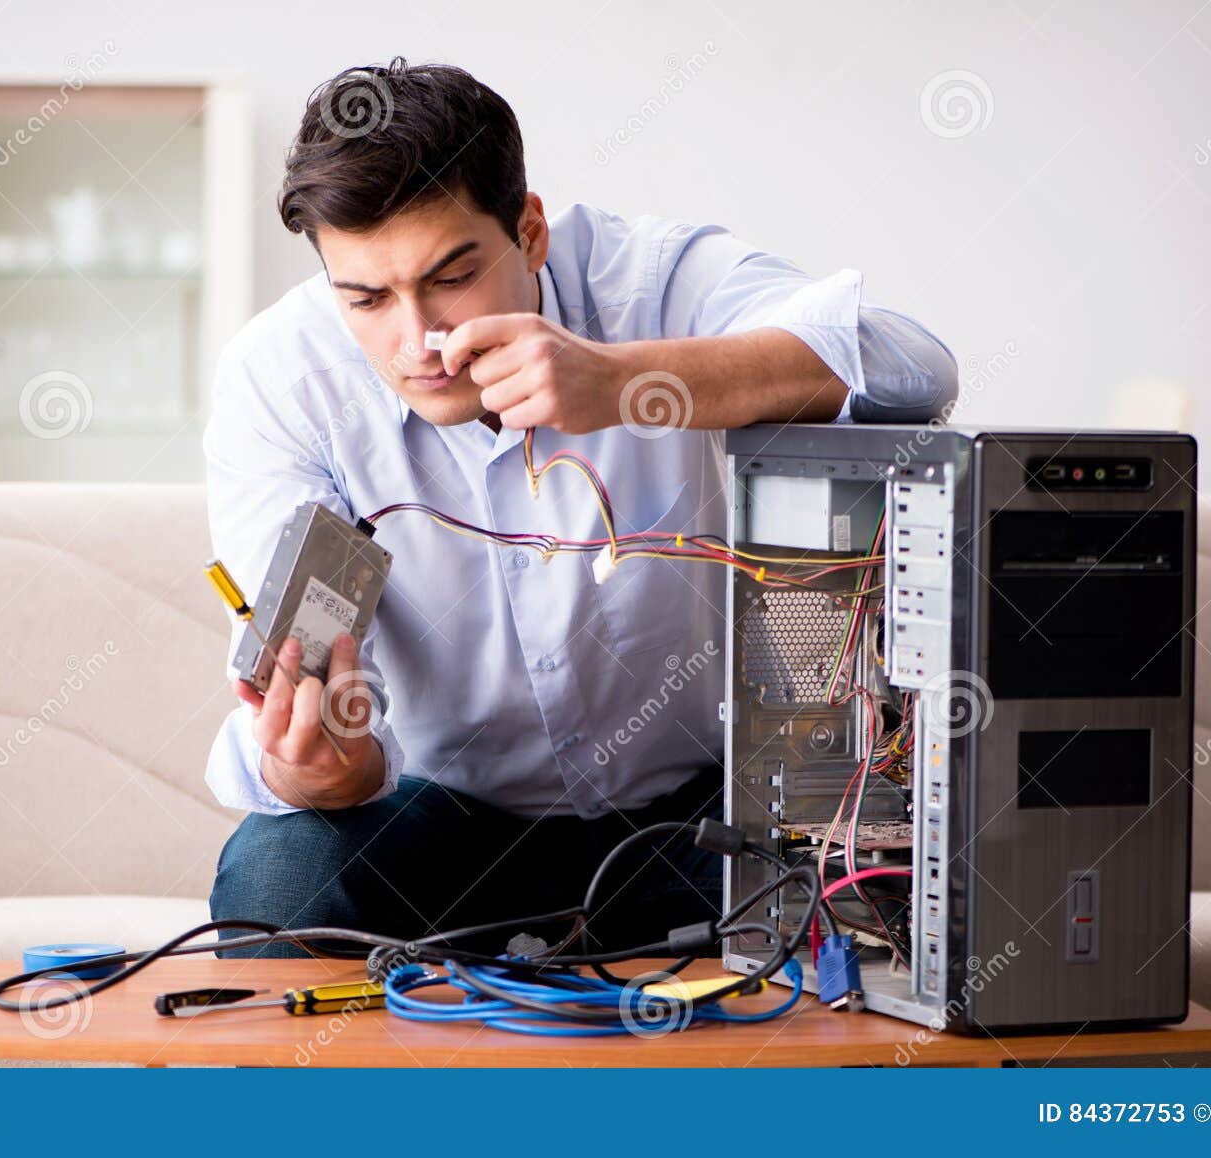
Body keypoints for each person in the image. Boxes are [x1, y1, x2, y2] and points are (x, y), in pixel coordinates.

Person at [204, 57, 957, 958]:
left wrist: (630, 381)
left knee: (899, 877)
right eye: (366, 297)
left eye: (451, 276)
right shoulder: (281, 379)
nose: (419, 342)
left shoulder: (657, 282)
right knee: (276, 877)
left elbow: (915, 367)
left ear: (529, 231)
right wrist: (332, 768)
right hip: (442, 819)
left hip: (700, 820)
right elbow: (313, 707)